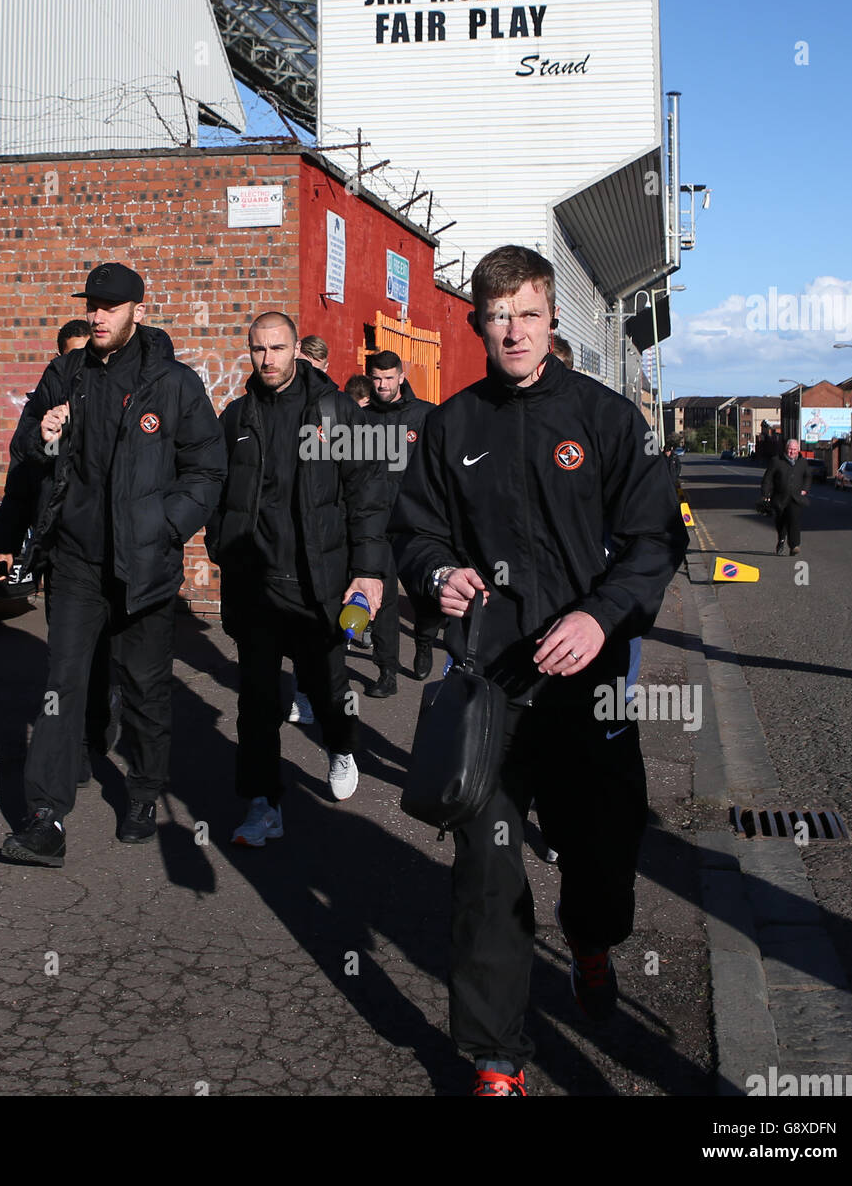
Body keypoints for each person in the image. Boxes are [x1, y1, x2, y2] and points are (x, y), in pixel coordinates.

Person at [390, 246, 688, 1096]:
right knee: (486, 871)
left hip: (587, 688)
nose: (513, 330)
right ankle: (495, 1060)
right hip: (492, 686)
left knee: (603, 858)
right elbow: (415, 532)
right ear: (478, 323)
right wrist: (437, 574)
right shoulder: (451, 427)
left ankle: (590, 943)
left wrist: (600, 617)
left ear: (553, 319)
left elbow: (653, 542)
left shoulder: (605, 420)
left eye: (527, 312)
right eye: (497, 315)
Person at [0, 262, 227, 866]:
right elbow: (25, 444)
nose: (98, 315)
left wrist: (163, 526)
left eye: (111, 306)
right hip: (75, 562)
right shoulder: (66, 372)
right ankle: (44, 817)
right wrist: (43, 434)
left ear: (138, 311)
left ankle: (144, 793)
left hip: (143, 567)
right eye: (92, 304)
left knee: (145, 687)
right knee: (62, 684)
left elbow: (207, 471)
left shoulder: (174, 384)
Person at [205, 311, 388, 844]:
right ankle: (263, 805)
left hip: (318, 583)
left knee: (330, 690)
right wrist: (221, 544)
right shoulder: (237, 417)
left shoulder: (334, 411)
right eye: (259, 350)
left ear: (296, 351)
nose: (269, 359)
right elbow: (216, 488)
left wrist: (367, 570)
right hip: (255, 585)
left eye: (279, 348)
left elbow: (367, 495)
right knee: (257, 704)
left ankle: (342, 748)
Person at [0, 317, 112, 785]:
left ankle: (96, 724)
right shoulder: (45, 405)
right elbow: (20, 480)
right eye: (70, 357)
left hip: (113, 552)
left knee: (104, 660)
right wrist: (6, 545)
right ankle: (73, 749)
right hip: (62, 555)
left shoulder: (116, 402)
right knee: (65, 663)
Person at [363, 350, 442, 692]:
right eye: (376, 379)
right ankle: (387, 673)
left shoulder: (425, 416)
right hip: (375, 523)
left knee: (423, 594)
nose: (382, 385)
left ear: (401, 376)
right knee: (382, 598)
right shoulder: (360, 418)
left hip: (414, 523)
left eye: (389, 378)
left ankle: (424, 640)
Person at [760, 438, 810, 555]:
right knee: (781, 521)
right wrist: (765, 494)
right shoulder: (776, 461)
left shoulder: (802, 462)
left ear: (798, 450)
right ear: (786, 449)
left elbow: (807, 476)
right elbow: (768, 479)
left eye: (794, 449)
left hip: (795, 498)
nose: (791, 452)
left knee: (794, 520)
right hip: (779, 498)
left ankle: (794, 545)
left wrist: (805, 489)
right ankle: (781, 539)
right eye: (789, 449)